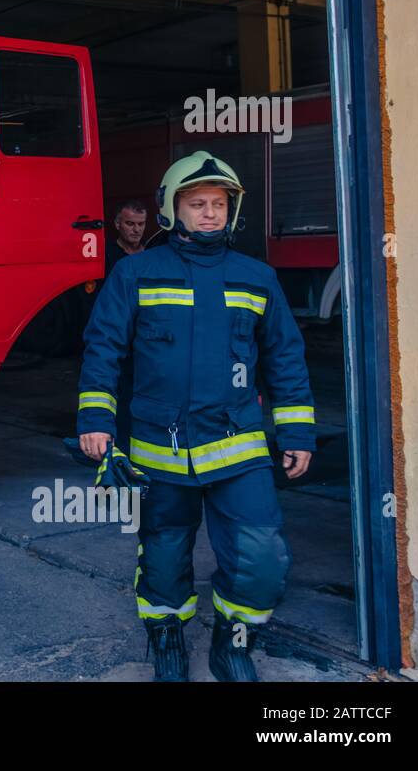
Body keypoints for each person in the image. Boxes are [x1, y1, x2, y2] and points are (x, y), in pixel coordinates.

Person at [76, 150, 315, 682]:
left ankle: (233, 647)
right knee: (162, 559)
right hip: (160, 448)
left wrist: (297, 430)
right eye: (196, 203)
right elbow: (103, 349)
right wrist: (96, 420)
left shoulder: (257, 278)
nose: (210, 213)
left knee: (262, 557)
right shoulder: (136, 273)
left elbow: (284, 357)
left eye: (219, 204)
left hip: (240, 448)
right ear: (171, 210)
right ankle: (166, 644)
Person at [106, 198, 148, 272]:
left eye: (141, 224)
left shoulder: (152, 249)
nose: (137, 230)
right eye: (130, 224)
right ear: (117, 224)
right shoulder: (107, 254)